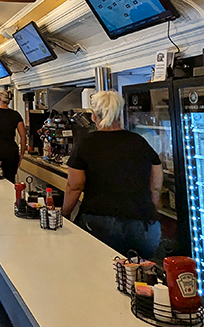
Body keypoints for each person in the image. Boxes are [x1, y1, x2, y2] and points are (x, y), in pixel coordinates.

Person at [62, 90, 163, 259]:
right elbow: (156, 184)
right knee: (138, 277)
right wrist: (148, 209)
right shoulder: (139, 141)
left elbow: (75, 186)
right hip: (143, 227)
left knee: (101, 275)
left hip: (100, 223)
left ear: (93, 116)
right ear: (119, 113)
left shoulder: (87, 143)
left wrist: (64, 214)